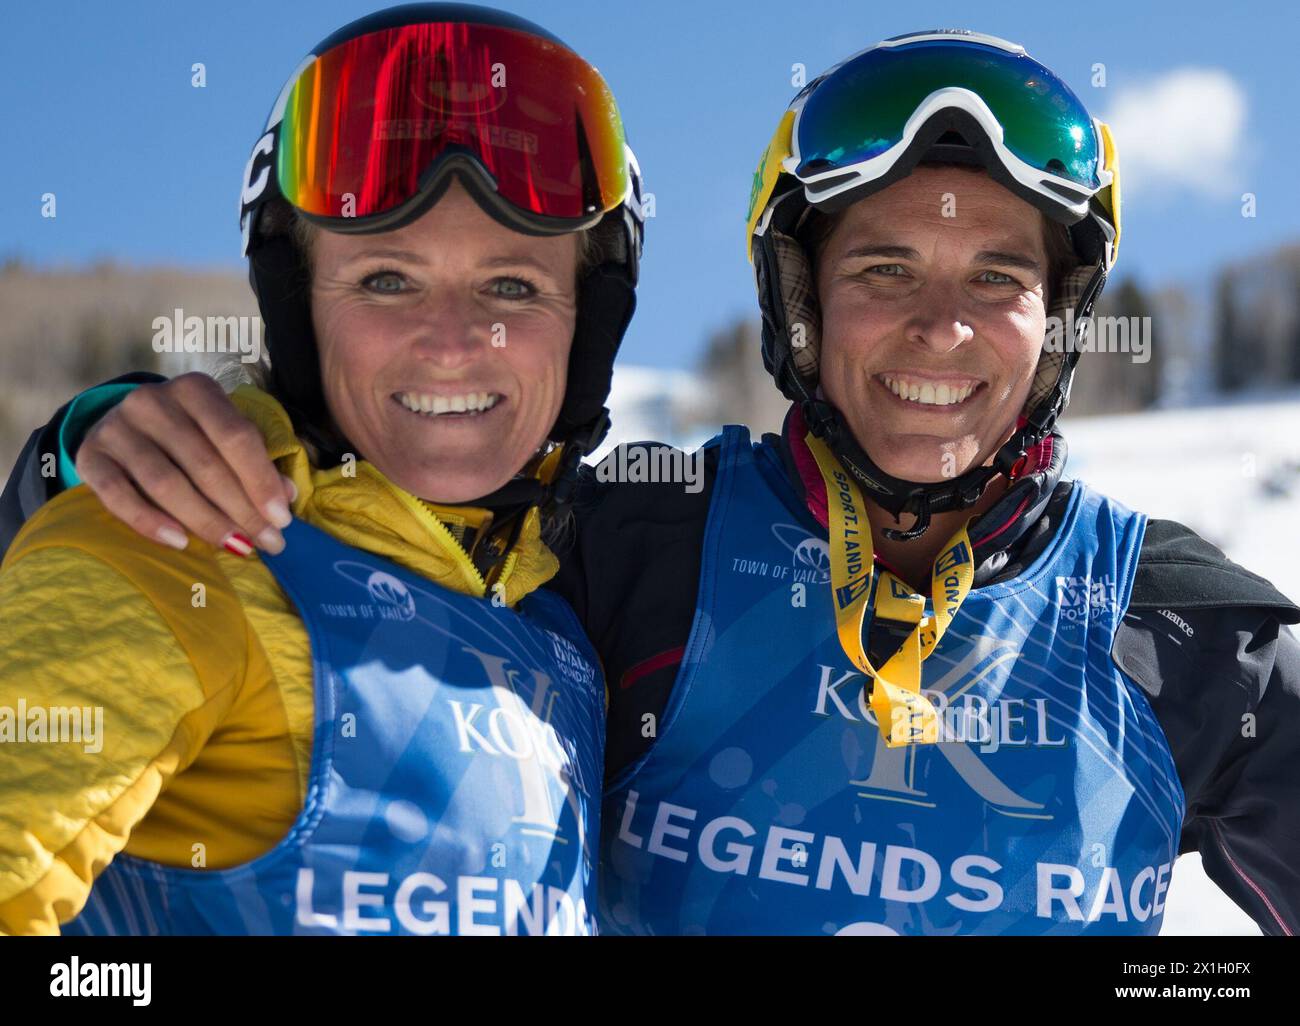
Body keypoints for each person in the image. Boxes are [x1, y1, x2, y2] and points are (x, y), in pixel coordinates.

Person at [6, 29, 1299, 936]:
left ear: (1062, 317)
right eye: (883, 271)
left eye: (998, 281)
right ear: (801, 305)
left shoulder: (1183, 635)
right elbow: (371, 540)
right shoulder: (640, 549)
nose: (939, 329)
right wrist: (90, 454)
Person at [0, 2, 644, 935]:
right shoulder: (172, 542)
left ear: (591, 324)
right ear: (300, 310)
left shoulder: (564, 621)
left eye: (513, 285)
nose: (454, 344)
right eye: (387, 279)